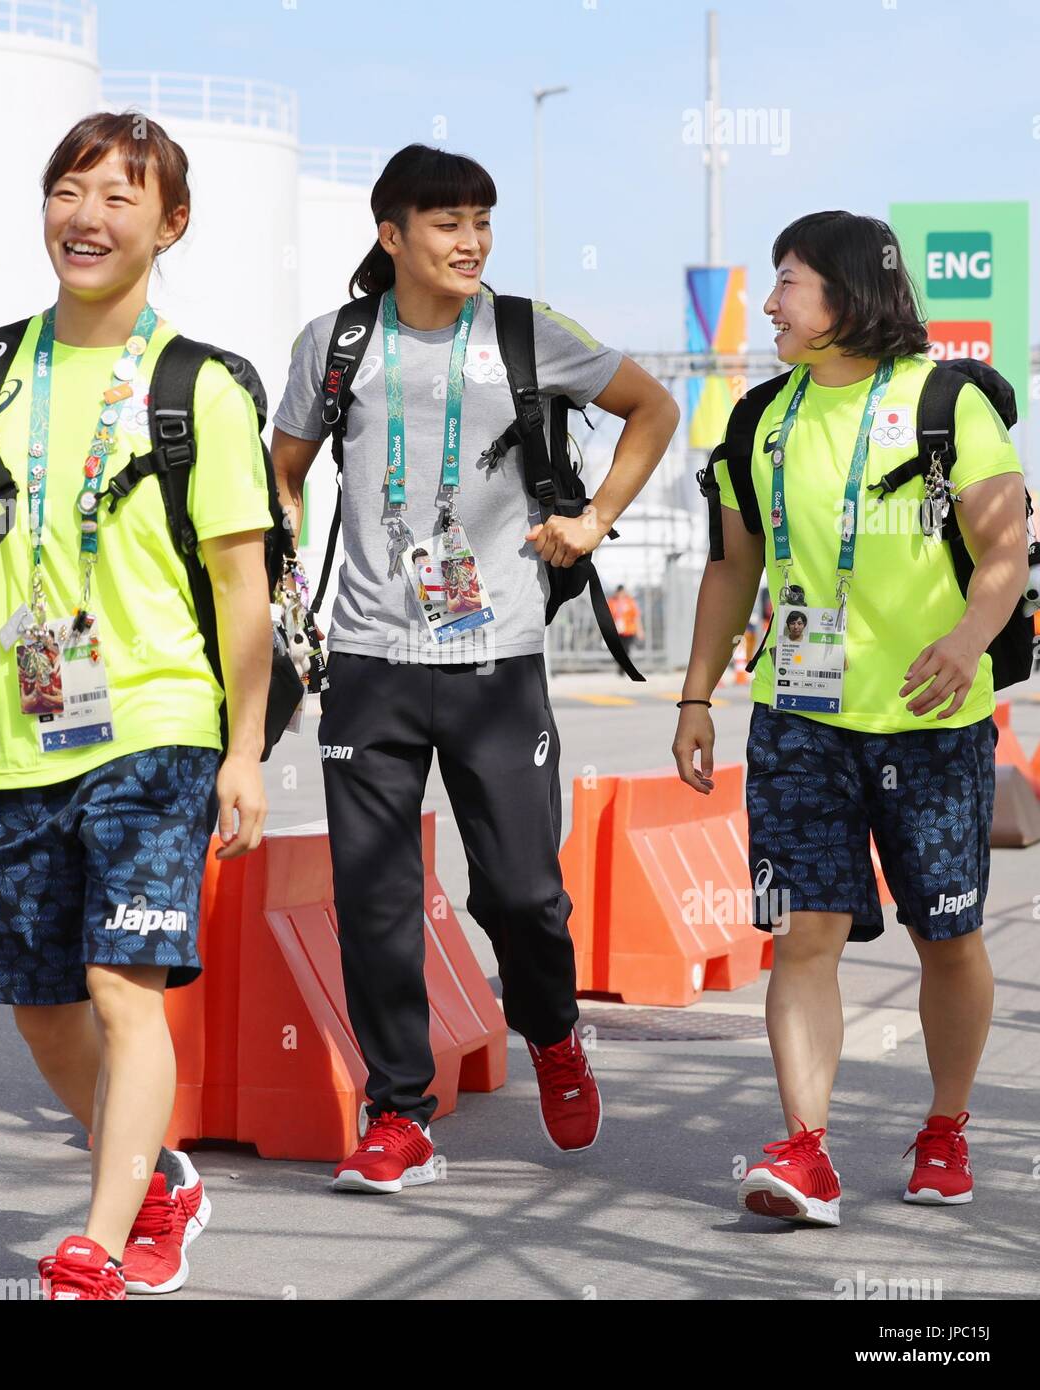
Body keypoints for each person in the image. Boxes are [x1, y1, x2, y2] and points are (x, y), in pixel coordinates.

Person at [0, 113, 273, 1297]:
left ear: (169, 224)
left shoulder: (198, 386)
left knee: (118, 985)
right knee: (40, 1004)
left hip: (156, 724)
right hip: (9, 734)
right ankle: (157, 1180)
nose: (86, 216)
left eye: (119, 197)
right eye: (67, 191)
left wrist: (243, 751)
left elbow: (243, 589)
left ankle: (96, 1238)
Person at [272, 144, 678, 1194]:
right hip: (367, 659)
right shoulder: (335, 342)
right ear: (390, 234)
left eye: (481, 221)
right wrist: (277, 583)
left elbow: (654, 407)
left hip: (496, 658)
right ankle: (396, 1111)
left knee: (521, 892)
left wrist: (593, 521)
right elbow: (282, 472)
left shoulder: (523, 333)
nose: (468, 241)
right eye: (445, 222)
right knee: (374, 896)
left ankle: (550, 1030)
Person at [674, 211, 1026, 1226]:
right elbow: (729, 566)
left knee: (945, 935)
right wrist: (696, 695)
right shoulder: (756, 420)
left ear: (846, 294)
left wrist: (963, 641)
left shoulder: (945, 403)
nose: (772, 302)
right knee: (803, 928)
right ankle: (803, 1148)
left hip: (930, 722)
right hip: (796, 719)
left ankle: (944, 1127)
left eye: (787, 280)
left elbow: (1002, 550)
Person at [607, 583, 643, 673]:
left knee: (626, 649)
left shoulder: (630, 602)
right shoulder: (612, 602)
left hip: (629, 630)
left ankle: (623, 668)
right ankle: (621, 665)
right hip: (616, 631)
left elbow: (636, 616)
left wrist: (640, 630)